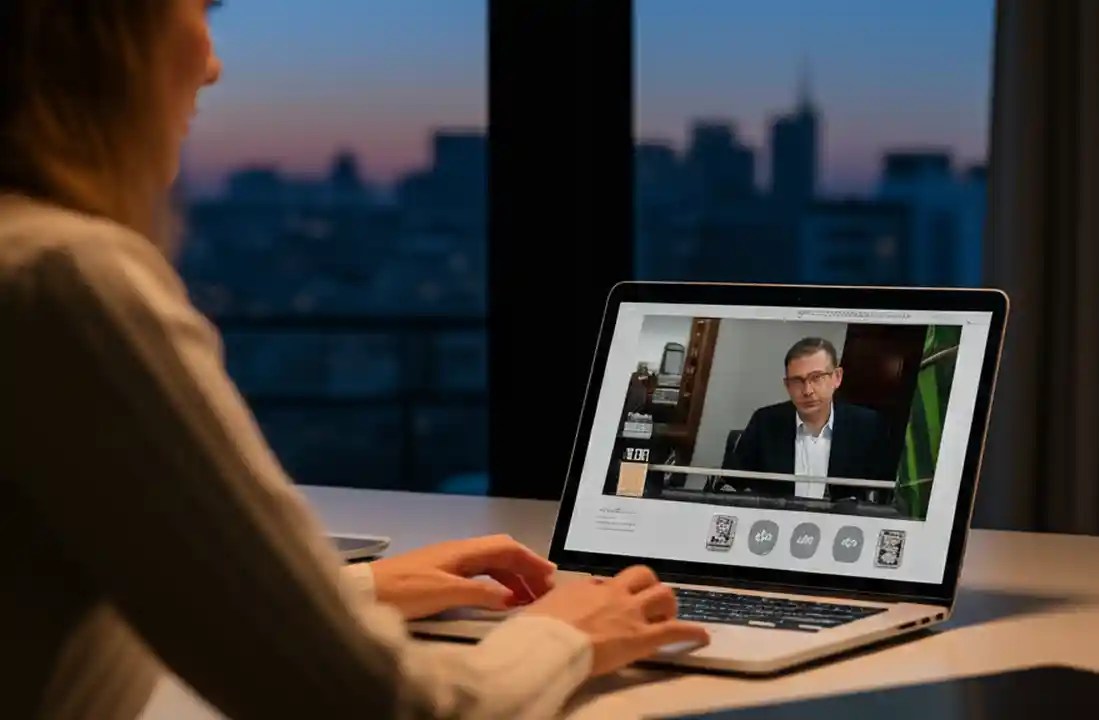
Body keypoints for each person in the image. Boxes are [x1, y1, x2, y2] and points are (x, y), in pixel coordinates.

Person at [0, 2, 708, 719]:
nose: (212, 63)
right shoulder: (63, 280)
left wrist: (353, 591)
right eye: (199, 7)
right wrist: (569, 635)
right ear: (88, 32)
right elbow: (387, 707)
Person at [725, 337, 894, 501]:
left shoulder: (867, 425)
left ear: (837, 377)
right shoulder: (765, 422)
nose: (807, 391)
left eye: (817, 378)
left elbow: (884, 492)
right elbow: (730, 485)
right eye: (797, 381)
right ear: (787, 386)